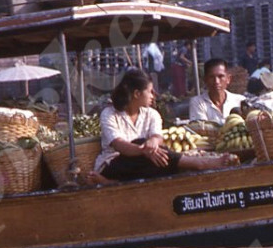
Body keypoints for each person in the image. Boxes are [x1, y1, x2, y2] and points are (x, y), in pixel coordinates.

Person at [97, 69, 236, 181]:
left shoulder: (152, 114)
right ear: (137, 94)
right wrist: (143, 149)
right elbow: (120, 145)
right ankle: (201, 164)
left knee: (161, 160)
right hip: (114, 164)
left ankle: (110, 184)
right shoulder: (109, 114)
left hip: (145, 163)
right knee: (142, 144)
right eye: (150, 91)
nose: (154, 95)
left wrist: (153, 141)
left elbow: (157, 136)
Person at [188, 58, 245, 124]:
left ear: (228, 79)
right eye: (211, 77)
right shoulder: (198, 102)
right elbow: (201, 128)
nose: (216, 81)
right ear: (205, 80)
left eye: (221, 76)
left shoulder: (240, 101)